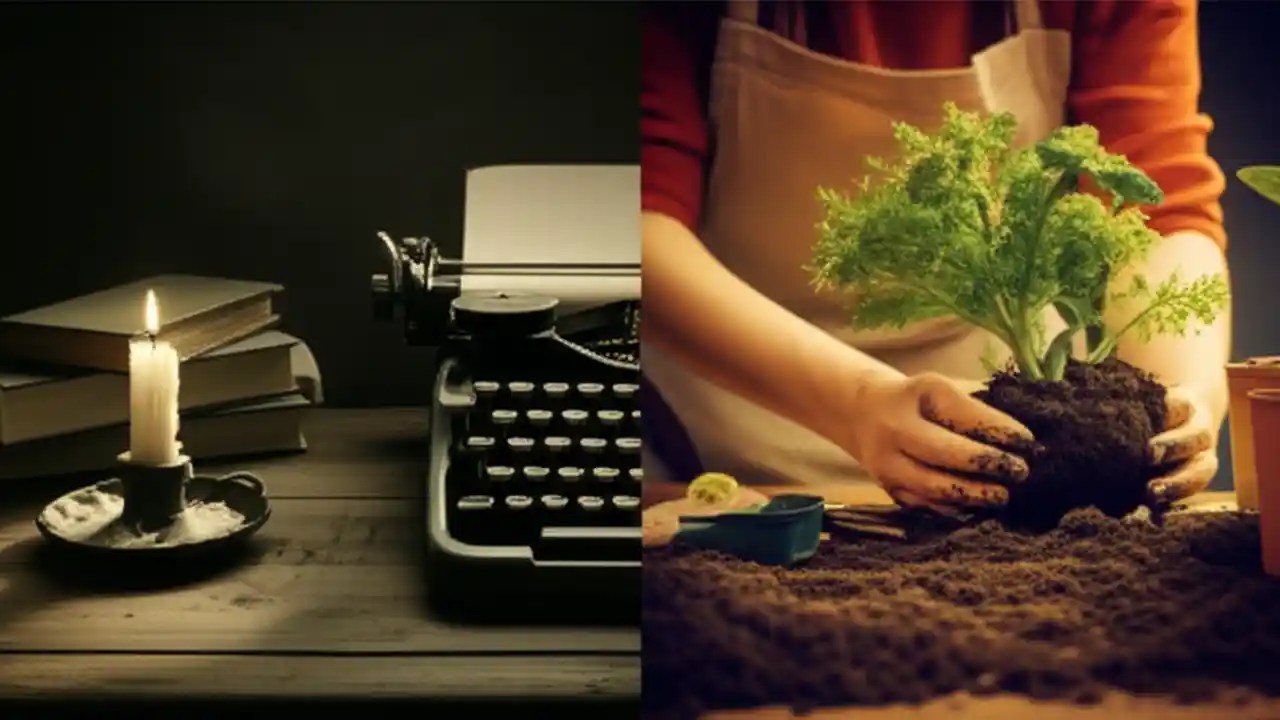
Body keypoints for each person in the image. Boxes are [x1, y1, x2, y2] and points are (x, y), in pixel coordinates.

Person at [640, 0, 1230, 513]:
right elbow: (637, 220)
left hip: (1009, 432)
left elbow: (1159, 206)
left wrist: (1181, 397)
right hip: (727, 421)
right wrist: (857, 403)